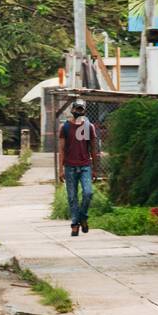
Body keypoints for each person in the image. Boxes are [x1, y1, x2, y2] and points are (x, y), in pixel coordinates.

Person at [58, 99, 102, 236]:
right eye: (76, 109)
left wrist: (95, 168)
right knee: (72, 197)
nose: (78, 111)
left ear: (84, 111)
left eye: (81, 109)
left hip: (85, 166)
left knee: (88, 193)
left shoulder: (88, 127)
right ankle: (74, 224)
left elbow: (93, 150)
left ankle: (82, 216)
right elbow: (62, 149)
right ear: (72, 110)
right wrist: (60, 169)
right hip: (70, 167)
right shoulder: (65, 127)